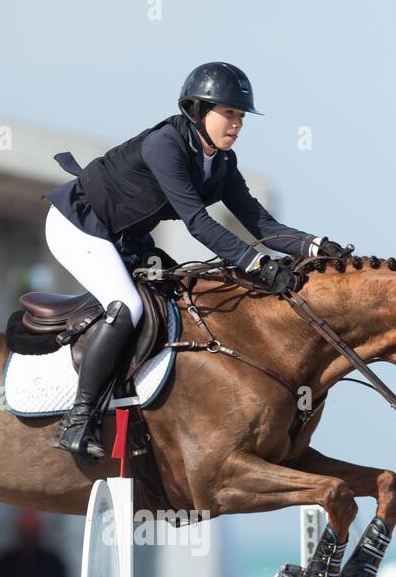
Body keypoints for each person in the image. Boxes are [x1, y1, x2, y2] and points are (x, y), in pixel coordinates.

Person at [42, 61, 348, 460]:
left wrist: (315, 247)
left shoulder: (222, 163)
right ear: (198, 110)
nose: (237, 124)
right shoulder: (164, 144)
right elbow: (198, 223)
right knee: (128, 306)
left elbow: (261, 222)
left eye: (240, 116)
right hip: (78, 225)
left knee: (183, 296)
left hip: (126, 237)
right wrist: (257, 265)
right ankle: (78, 420)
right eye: (229, 114)